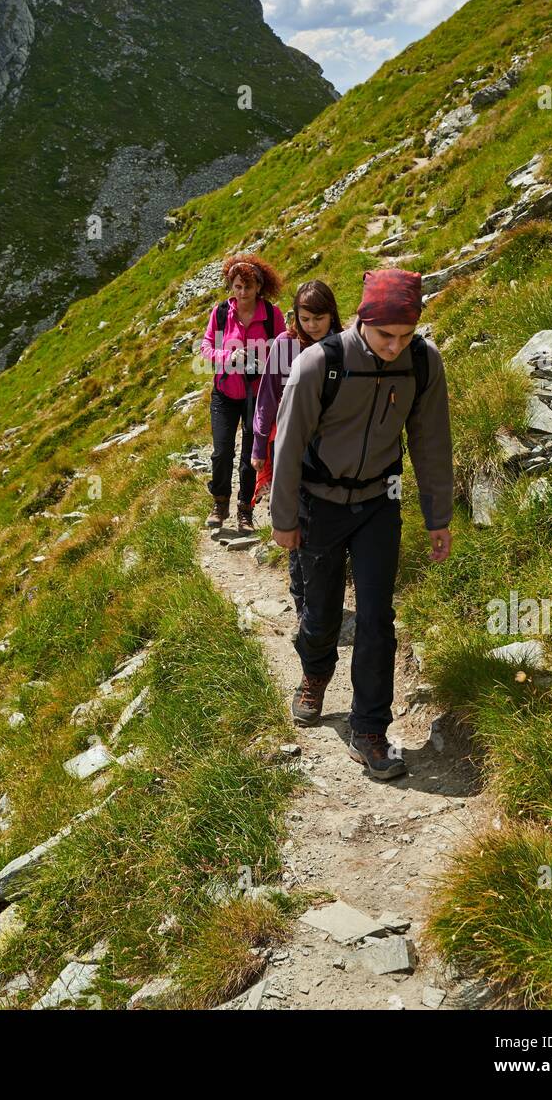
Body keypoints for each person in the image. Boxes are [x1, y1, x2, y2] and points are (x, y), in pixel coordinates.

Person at [269, 266, 454, 781]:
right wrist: (284, 519)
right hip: (318, 505)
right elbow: (286, 447)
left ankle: (370, 730)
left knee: (376, 617)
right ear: (361, 320)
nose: (396, 346)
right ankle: (314, 672)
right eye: (385, 335)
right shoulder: (317, 364)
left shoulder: (422, 362)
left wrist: (438, 516)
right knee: (322, 610)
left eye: (406, 334)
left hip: (379, 502)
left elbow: (431, 440)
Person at [250, 280, 343, 630]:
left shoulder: (345, 346)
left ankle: (325, 597)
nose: (313, 325)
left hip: (334, 455)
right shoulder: (285, 346)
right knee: (296, 527)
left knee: (329, 527)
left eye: (320, 317)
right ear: (296, 316)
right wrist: (260, 448)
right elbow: (267, 399)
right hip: (290, 452)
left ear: (331, 314)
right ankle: (303, 602)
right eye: (306, 318)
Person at [200, 254, 286, 532]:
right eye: (237, 286)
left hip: (259, 396)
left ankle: (245, 510)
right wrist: (229, 356)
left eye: (248, 287)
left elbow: (285, 352)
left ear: (259, 287)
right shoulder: (221, 313)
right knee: (221, 451)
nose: (242, 292)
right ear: (231, 286)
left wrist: (263, 361)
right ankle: (220, 501)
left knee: (252, 455)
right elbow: (205, 349)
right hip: (225, 393)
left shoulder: (273, 316)